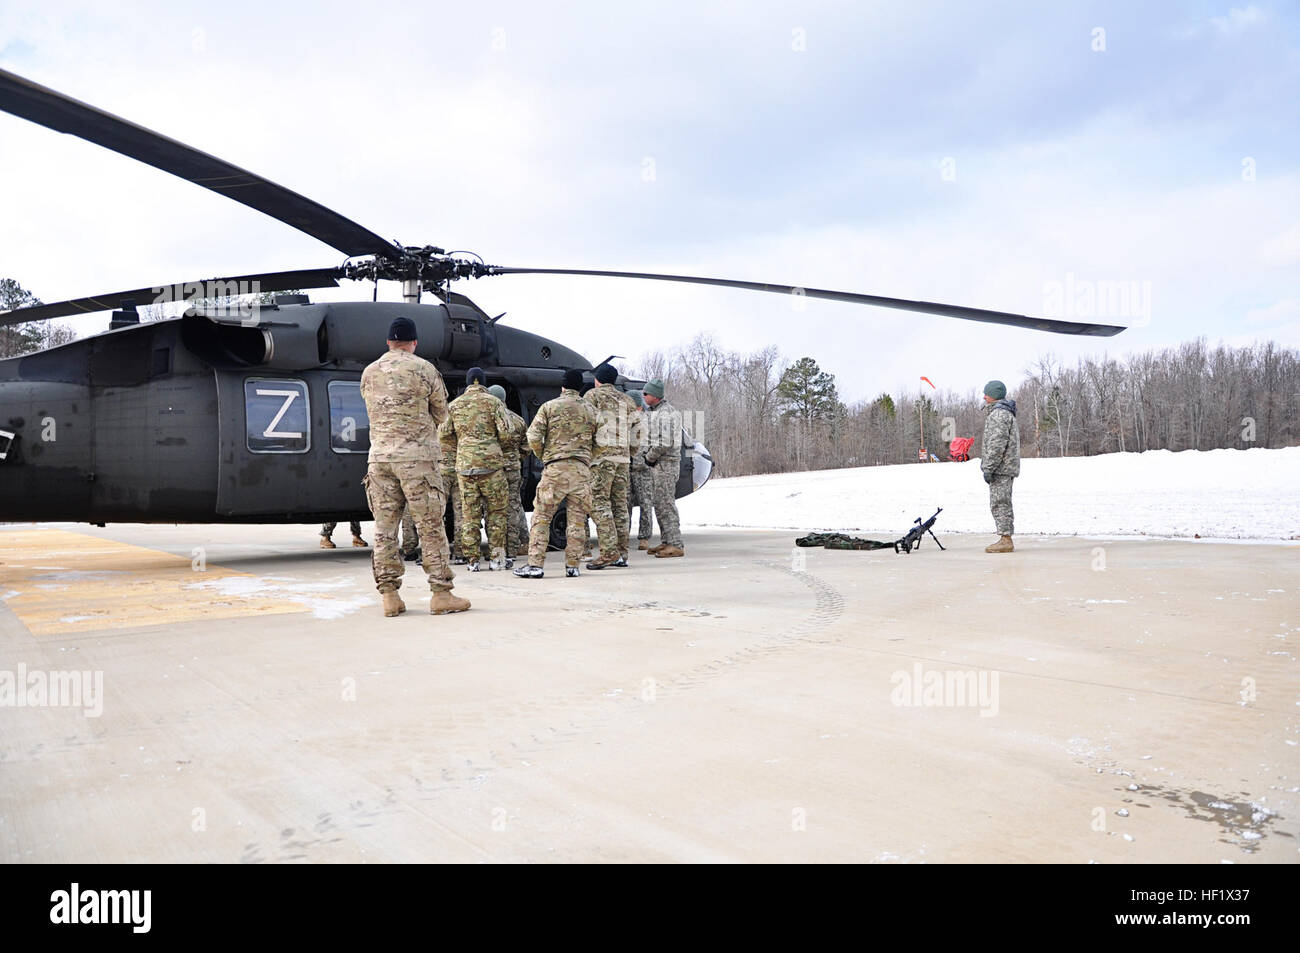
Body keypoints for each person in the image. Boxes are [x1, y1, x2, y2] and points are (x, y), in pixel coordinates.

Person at [359, 316, 469, 616]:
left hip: (380, 460)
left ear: (388, 342)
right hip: (418, 460)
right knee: (430, 527)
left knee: (384, 529)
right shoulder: (424, 369)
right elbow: (442, 414)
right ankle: (441, 593)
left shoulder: (369, 373)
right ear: (414, 342)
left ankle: (390, 596)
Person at [513, 368, 597, 579]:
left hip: (555, 470)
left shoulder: (549, 407)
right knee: (577, 520)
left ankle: (535, 565)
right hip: (581, 472)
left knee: (542, 517)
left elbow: (532, 436)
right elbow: (602, 442)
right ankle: (572, 566)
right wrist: (586, 458)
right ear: (579, 387)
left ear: (562, 386)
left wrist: (544, 456)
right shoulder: (591, 410)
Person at [440, 368, 513, 571]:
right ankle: (497, 558)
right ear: (483, 382)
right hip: (492, 467)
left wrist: (463, 445)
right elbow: (507, 433)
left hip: (465, 467)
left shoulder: (454, 406)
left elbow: (443, 434)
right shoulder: (494, 403)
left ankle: (472, 560)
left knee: (469, 514)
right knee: (496, 512)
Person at [583, 363, 644, 569]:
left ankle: (609, 552)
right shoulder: (627, 400)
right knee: (619, 505)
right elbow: (638, 430)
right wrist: (629, 453)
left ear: (598, 380)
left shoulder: (593, 397)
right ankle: (622, 554)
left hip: (601, 460)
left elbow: (585, 426)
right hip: (622, 461)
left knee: (599, 502)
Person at [641, 378, 686, 558]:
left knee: (666, 504)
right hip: (658, 464)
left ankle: (675, 543)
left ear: (656, 395)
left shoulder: (667, 413)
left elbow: (664, 442)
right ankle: (667, 541)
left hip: (665, 464)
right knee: (659, 504)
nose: (643, 396)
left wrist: (650, 457)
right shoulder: (654, 412)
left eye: (646, 393)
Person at [488, 384, 530, 558]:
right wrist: (516, 458)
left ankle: (497, 548)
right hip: (513, 469)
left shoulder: (488, 420)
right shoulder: (518, 420)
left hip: (493, 469)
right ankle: (513, 547)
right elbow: (527, 447)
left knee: (492, 509)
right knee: (513, 506)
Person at [980, 379, 1020, 554]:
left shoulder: (999, 415)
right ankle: (1005, 537)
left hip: (1001, 468)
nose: (984, 396)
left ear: (993, 396)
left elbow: (996, 444)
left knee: (1000, 502)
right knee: (1001, 502)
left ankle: (1005, 539)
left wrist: (989, 467)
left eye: (986, 394)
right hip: (1004, 467)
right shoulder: (1003, 413)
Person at [627, 389, 655, 549]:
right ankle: (623, 536)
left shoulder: (649, 421)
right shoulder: (626, 419)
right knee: (625, 505)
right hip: (627, 468)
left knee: (645, 503)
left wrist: (648, 460)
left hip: (643, 469)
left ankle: (644, 538)